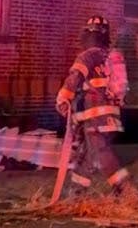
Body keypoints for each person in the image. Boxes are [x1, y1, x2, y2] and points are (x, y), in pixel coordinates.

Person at [55, 15, 133, 195]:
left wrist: (62, 99)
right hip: (111, 117)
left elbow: (74, 79)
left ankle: (127, 190)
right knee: (87, 158)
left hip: (94, 118)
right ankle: (75, 195)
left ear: (87, 34)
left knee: (101, 153)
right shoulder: (110, 56)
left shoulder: (87, 56)